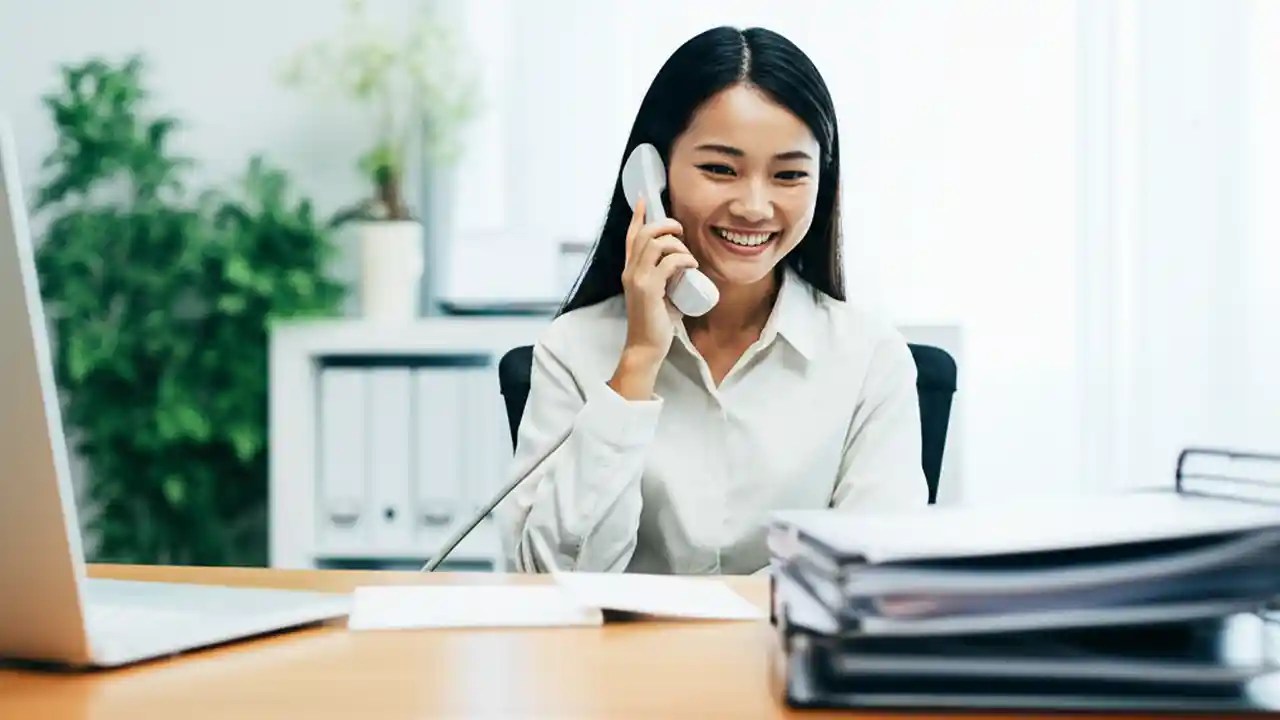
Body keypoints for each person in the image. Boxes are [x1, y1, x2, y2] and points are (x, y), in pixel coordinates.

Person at [497, 26, 926, 575]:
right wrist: (636, 366)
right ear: (652, 175)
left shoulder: (870, 358)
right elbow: (544, 581)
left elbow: (873, 577)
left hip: (782, 658)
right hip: (618, 662)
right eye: (720, 169)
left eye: (789, 175)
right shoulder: (574, 349)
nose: (754, 205)